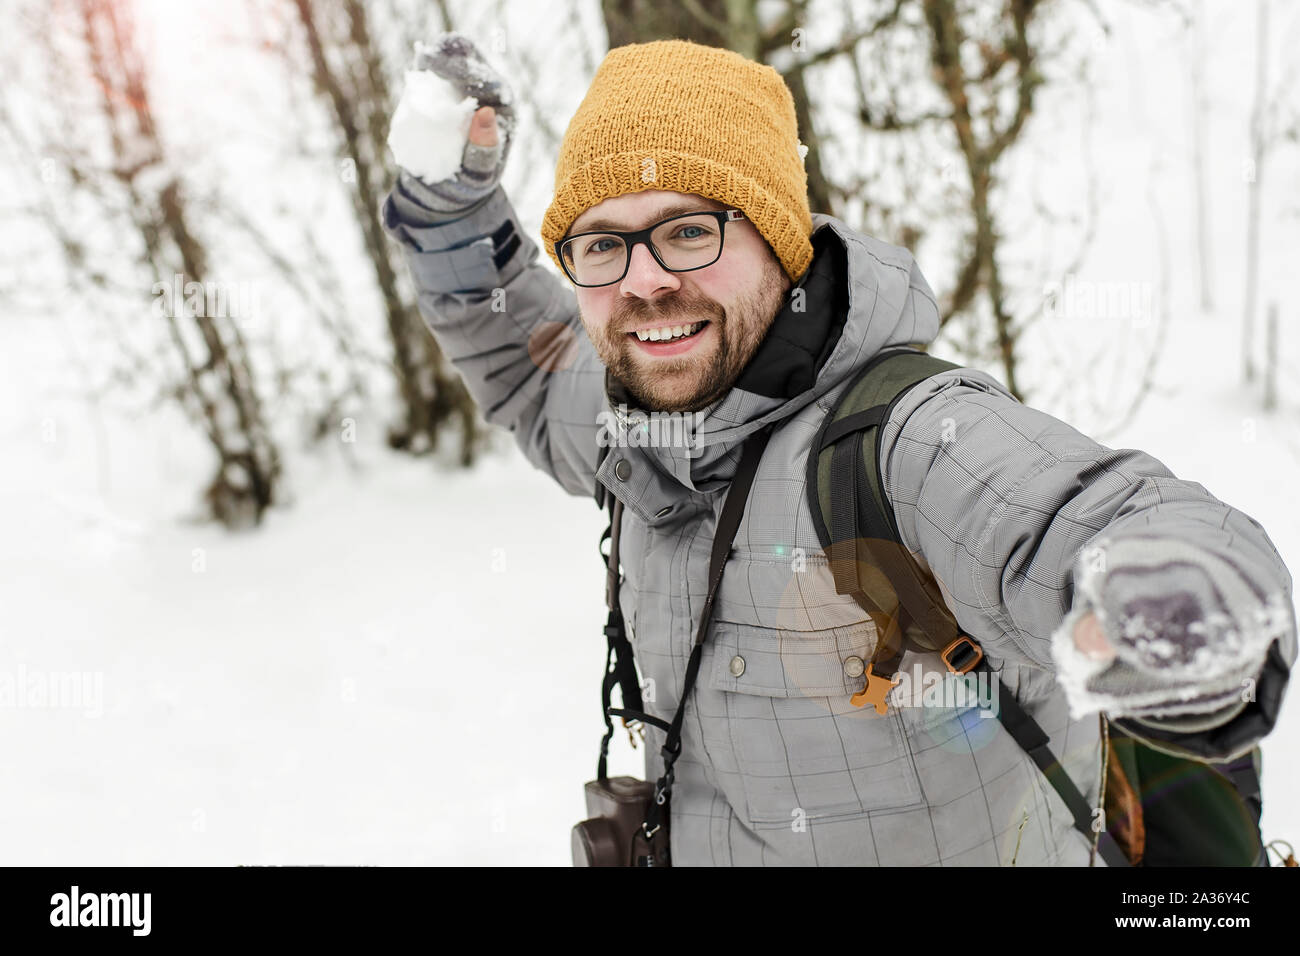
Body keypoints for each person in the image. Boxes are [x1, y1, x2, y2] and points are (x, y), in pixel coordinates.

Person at [382, 35, 1296, 866]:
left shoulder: (902, 443)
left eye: (691, 230)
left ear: (780, 243)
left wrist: (1172, 595)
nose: (646, 281)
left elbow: (1074, 509)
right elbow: (529, 360)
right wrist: (447, 197)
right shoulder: (642, 419)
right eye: (601, 245)